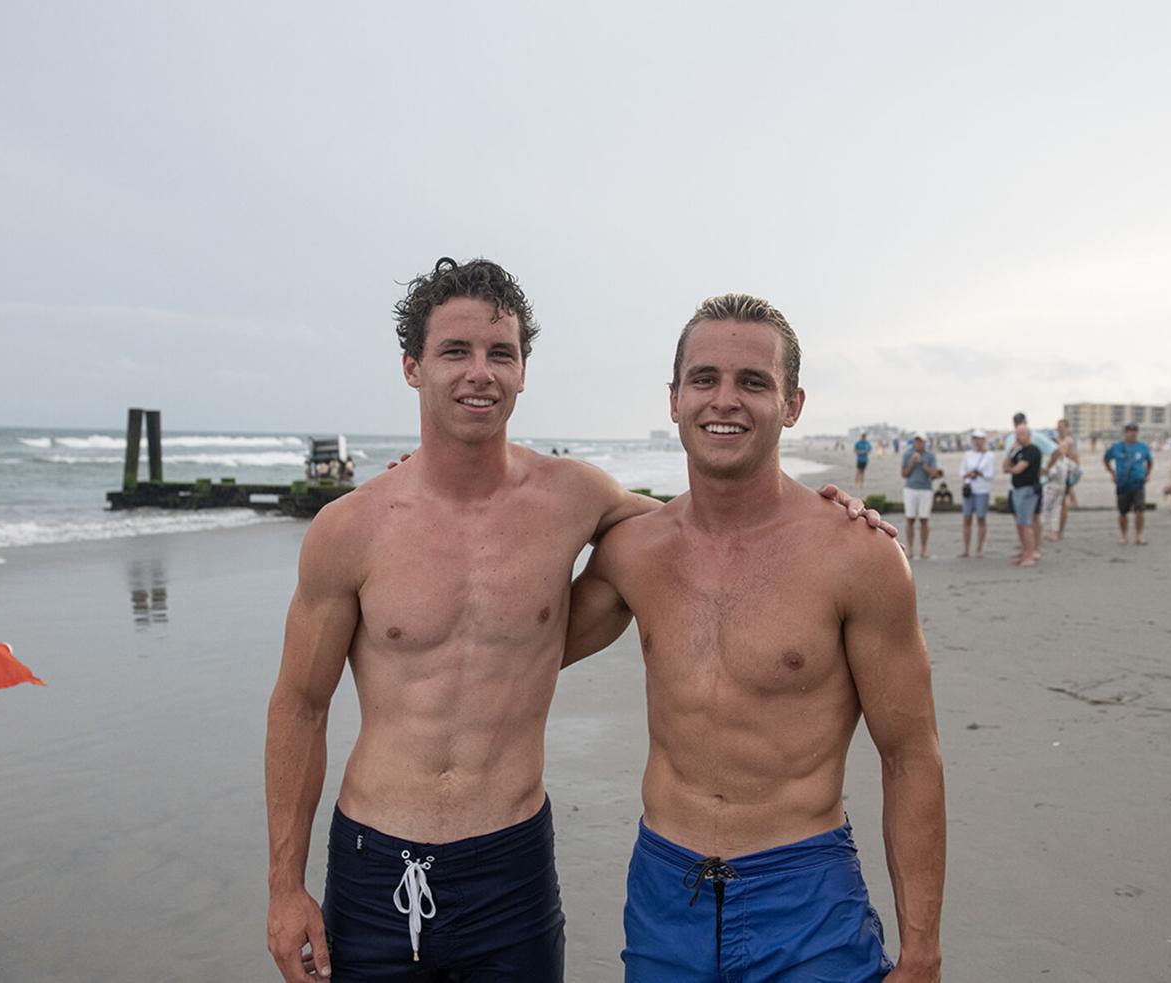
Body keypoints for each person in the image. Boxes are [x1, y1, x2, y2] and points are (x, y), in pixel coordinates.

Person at [263, 259, 890, 983]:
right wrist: (284, 886)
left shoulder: (574, 497)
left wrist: (825, 515)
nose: (480, 373)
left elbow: (713, 532)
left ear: (524, 370)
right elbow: (300, 706)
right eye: (455, 353)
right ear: (413, 367)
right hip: (374, 864)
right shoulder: (350, 529)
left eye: (501, 354)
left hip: (510, 866)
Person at [566, 293, 944, 983]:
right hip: (664, 890)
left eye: (753, 382)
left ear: (792, 404)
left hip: (805, 892)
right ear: (675, 398)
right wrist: (442, 508)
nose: (725, 400)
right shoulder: (634, 552)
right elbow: (510, 646)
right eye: (705, 379)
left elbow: (911, 754)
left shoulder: (856, 556)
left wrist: (922, 949)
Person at [1104, 422, 1154, 545]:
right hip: (1122, 482)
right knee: (1123, 512)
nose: (1132, 433)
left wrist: (1147, 474)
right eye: (1129, 431)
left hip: (1138, 482)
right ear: (1125, 433)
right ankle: (1124, 536)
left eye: (1134, 431)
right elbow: (1106, 459)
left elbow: (1149, 461)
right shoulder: (1117, 447)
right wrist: (1112, 473)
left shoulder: (1142, 447)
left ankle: (1139, 535)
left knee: (1139, 510)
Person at [1003, 423, 1043, 567]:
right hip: (1017, 489)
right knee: (1020, 523)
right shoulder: (1018, 451)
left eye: (1020, 434)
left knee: (1026, 523)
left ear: (1028, 435)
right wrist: (1010, 452)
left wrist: (1011, 468)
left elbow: (1018, 469)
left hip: (1028, 489)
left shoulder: (1032, 451)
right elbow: (1005, 468)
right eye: (1016, 434)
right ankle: (1025, 552)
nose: (1018, 437)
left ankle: (1030, 554)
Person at [901, 434, 940, 559]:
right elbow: (904, 474)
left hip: (925, 489)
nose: (918, 444)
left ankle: (924, 549)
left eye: (920, 442)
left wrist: (922, 462)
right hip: (910, 489)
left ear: (924, 443)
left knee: (924, 519)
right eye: (916, 442)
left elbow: (934, 473)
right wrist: (912, 462)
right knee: (910, 519)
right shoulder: (908, 454)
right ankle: (910, 548)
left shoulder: (930, 456)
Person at [959, 429, 994, 558]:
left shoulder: (989, 455)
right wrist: (968, 474)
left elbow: (990, 475)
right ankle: (966, 549)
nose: (977, 442)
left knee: (981, 518)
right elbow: (962, 472)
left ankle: (979, 549)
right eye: (975, 439)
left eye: (980, 439)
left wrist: (980, 473)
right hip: (969, 489)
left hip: (982, 490)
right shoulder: (967, 454)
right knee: (966, 518)